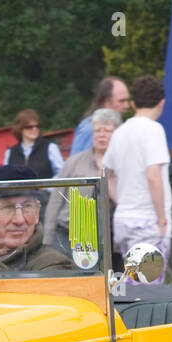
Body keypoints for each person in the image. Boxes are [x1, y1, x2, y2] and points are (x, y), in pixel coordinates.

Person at [103, 75, 171, 278]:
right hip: (148, 220)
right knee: (149, 288)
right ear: (162, 103)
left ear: (133, 103)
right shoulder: (154, 130)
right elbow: (153, 176)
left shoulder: (121, 131)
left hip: (124, 218)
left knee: (133, 284)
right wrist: (161, 220)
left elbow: (106, 173)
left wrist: (122, 199)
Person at [43, 107, 121, 253]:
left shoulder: (123, 165)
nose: (101, 135)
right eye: (98, 131)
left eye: (107, 131)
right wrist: (47, 241)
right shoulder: (74, 162)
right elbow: (55, 200)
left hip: (109, 240)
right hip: (69, 236)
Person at [70, 76, 130, 156]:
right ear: (107, 102)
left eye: (127, 100)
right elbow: (77, 165)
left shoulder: (119, 127)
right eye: (121, 101)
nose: (127, 106)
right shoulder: (89, 129)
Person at [5, 109, 63, 179]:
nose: (34, 129)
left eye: (37, 126)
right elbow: (5, 178)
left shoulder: (50, 147)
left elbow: (62, 173)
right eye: (29, 127)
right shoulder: (10, 153)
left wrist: (47, 187)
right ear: (20, 129)